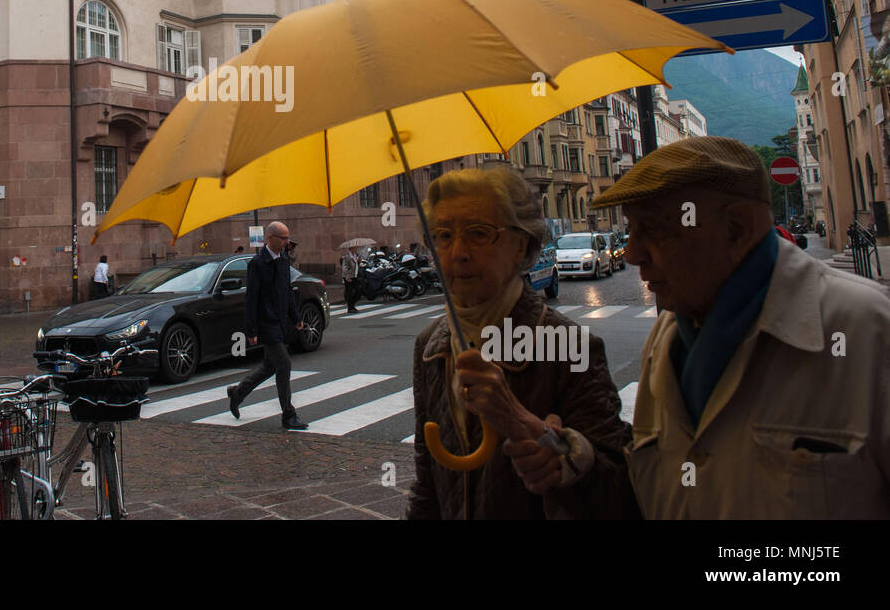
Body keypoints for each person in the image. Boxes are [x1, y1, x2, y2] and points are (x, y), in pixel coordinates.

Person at [592, 136, 890, 518]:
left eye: (653, 229)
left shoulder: (868, 329)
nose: (632, 253)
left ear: (738, 228)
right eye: (631, 230)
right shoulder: (667, 336)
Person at [406, 167, 634, 520]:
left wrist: (553, 446)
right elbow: (427, 488)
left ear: (522, 245)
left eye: (478, 234)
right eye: (443, 235)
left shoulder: (568, 345)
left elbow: (618, 491)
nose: (458, 252)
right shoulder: (430, 346)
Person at [227, 222, 307, 430]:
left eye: (288, 238)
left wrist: (296, 317)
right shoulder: (257, 263)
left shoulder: (283, 260)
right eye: (283, 238)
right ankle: (288, 415)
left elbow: (287, 291)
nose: (287, 242)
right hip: (266, 323)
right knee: (284, 364)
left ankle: (237, 393)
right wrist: (251, 329)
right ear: (270, 238)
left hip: (280, 321)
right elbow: (252, 298)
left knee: (269, 366)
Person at [341, 247, 363, 313]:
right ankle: (350, 308)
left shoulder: (356, 255)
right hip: (348, 277)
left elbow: (356, 265)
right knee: (349, 292)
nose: (356, 249)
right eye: (354, 248)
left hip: (355, 276)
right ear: (351, 249)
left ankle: (351, 305)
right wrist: (347, 277)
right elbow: (344, 267)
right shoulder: (347, 256)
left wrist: (359, 261)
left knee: (358, 291)